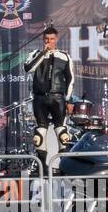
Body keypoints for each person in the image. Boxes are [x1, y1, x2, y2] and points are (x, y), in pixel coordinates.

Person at [23, 25, 75, 160]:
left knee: (62, 133)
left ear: (56, 39)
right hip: (40, 98)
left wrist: (68, 100)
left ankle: (64, 166)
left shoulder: (64, 56)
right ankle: (43, 169)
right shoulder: (34, 54)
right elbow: (29, 69)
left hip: (58, 97)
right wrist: (43, 53)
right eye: (46, 39)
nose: (49, 41)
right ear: (43, 39)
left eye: (52, 39)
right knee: (39, 134)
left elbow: (70, 79)